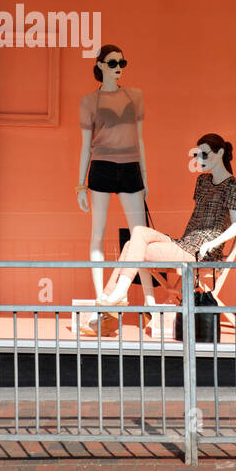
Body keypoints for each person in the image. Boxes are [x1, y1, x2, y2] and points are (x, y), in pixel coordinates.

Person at [90, 133, 236, 335]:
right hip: (184, 244)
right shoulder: (202, 182)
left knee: (133, 247)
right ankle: (117, 295)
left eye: (204, 154)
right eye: (197, 155)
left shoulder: (231, 186)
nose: (199, 160)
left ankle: (113, 300)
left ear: (220, 153)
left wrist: (213, 242)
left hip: (201, 252)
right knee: (137, 234)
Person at [76, 44, 151, 304]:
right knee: (97, 233)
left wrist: (144, 176)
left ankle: (149, 299)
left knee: (139, 234)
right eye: (112, 63)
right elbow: (86, 145)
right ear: (99, 66)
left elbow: (140, 139)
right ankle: (100, 296)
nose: (118, 67)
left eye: (122, 62)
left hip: (130, 167)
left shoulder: (135, 96)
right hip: (102, 168)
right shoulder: (88, 101)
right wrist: (80, 185)